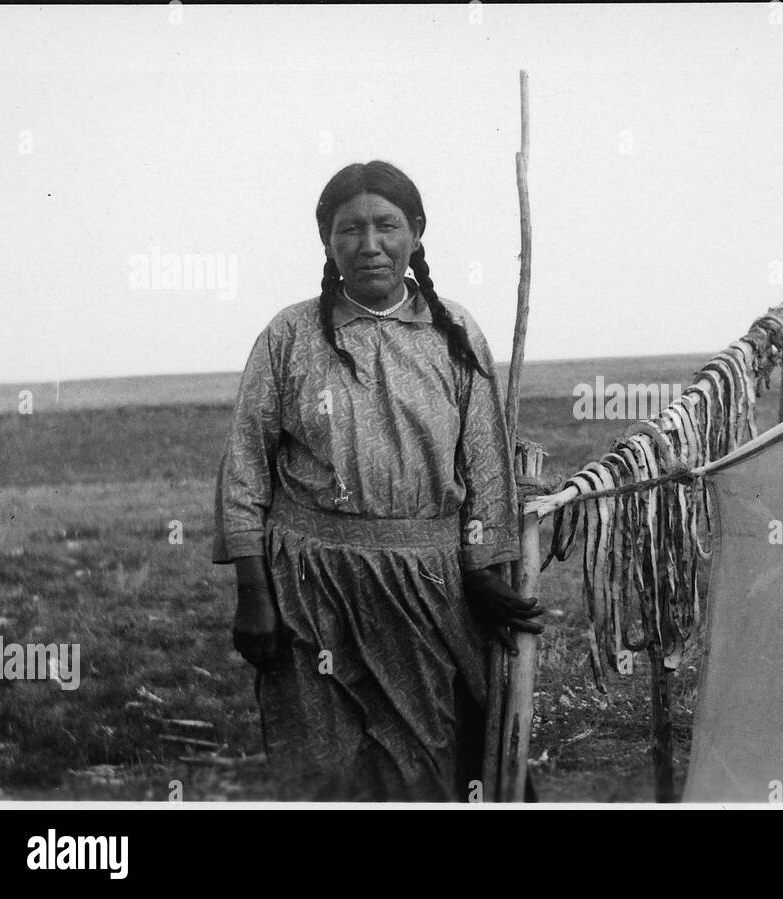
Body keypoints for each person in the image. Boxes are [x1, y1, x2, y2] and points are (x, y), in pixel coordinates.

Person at [211, 160, 543, 801]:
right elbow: (246, 463)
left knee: (427, 760)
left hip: (425, 586)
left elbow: (484, 462)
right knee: (326, 765)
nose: (370, 245)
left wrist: (479, 570)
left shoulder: (454, 333)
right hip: (311, 585)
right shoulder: (289, 335)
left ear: (416, 232)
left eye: (387, 226)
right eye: (349, 229)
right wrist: (252, 594)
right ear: (326, 240)